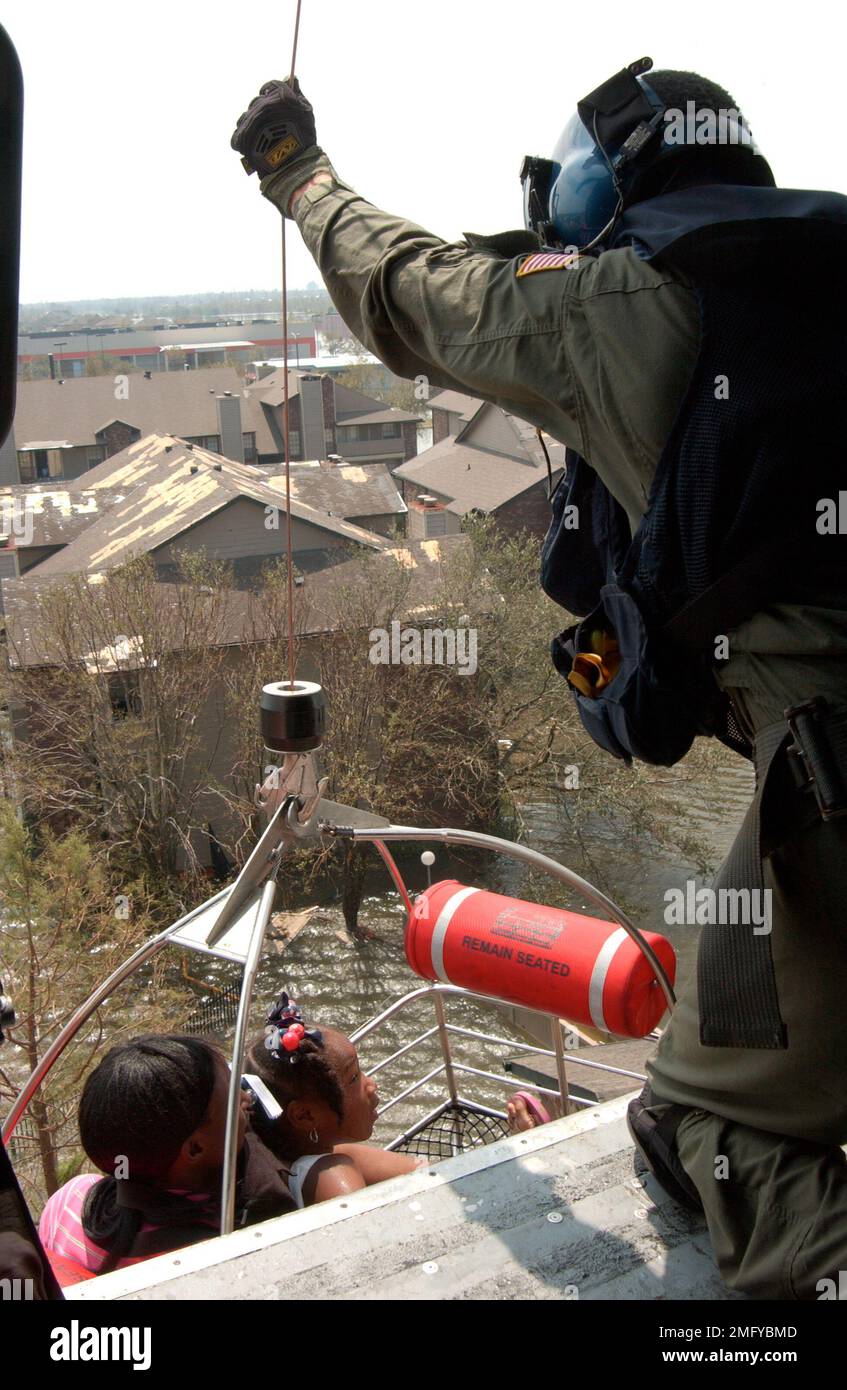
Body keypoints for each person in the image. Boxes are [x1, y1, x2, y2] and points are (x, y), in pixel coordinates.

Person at [231, 61, 847, 1298]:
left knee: (706, 1127)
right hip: (806, 782)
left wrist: (298, 175)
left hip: (829, 776)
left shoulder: (623, 301)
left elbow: (413, 290)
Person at [243, 994, 550, 1207]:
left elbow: (431, 1177)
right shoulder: (333, 1178)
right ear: (305, 1116)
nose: (371, 1085)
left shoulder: (330, 1153)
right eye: (353, 1078)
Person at [39, 1034, 295, 1276]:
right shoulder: (216, 1258)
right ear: (195, 1149)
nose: (245, 1098)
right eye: (231, 1095)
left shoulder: (70, 1200)